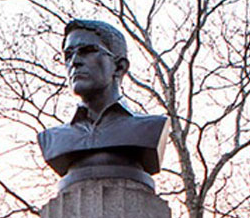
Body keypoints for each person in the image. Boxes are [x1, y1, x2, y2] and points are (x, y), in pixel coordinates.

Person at [36, 18, 169, 179]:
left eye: (87, 51)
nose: (75, 62)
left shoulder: (150, 128)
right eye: (68, 55)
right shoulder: (53, 139)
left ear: (119, 67)